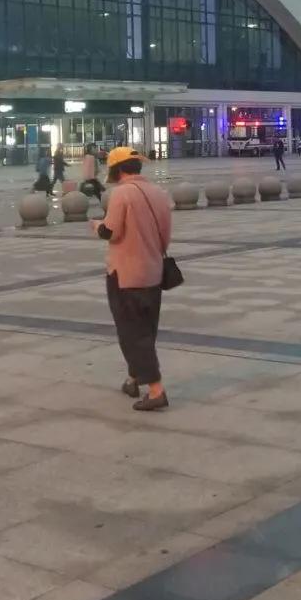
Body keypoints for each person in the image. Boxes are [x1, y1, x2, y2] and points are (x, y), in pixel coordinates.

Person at [93, 147, 173, 411]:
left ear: (117, 169)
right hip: (154, 271)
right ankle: (133, 378)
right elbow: (166, 233)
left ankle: (156, 390)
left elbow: (111, 232)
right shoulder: (158, 193)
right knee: (145, 330)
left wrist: (97, 226)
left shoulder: (121, 193)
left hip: (125, 274)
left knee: (131, 332)